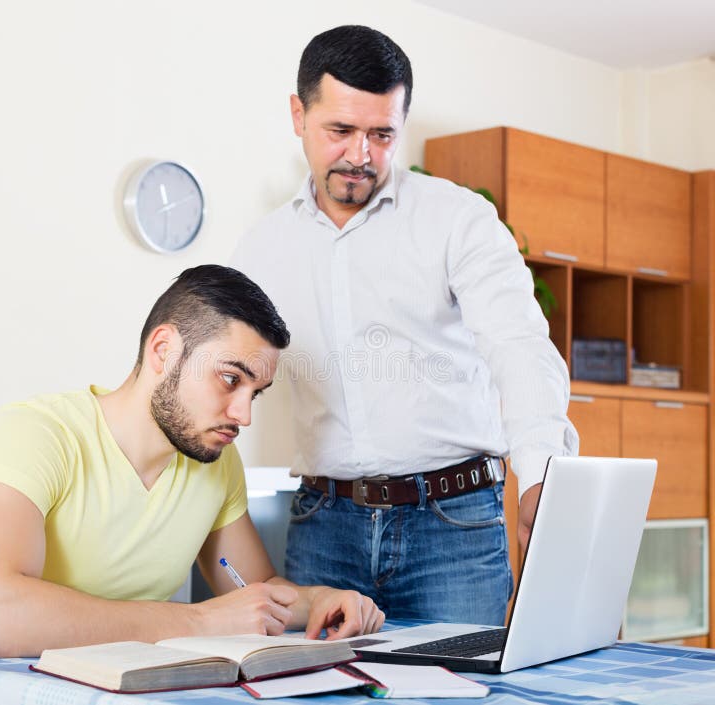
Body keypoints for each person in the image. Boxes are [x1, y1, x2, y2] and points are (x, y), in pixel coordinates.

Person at [231, 25, 578, 625]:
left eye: (382, 134)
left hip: (454, 527)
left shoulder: (458, 220)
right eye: (340, 131)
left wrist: (541, 473)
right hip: (323, 527)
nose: (361, 155)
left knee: (466, 689)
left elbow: (518, 345)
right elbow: (226, 370)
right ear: (298, 114)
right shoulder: (262, 249)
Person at [0, 265, 384, 659]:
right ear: (163, 350)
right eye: (230, 379)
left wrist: (322, 600)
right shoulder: (34, 434)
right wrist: (199, 622)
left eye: (255, 392)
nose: (243, 415)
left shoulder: (216, 462)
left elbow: (254, 591)